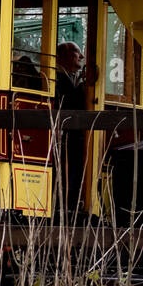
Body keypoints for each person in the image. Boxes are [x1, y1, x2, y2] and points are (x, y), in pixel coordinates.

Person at [54, 42, 89, 215]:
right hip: (65, 134)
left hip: (70, 133)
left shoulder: (68, 76)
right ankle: (67, 206)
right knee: (69, 169)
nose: (81, 57)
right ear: (66, 55)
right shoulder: (57, 77)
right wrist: (84, 85)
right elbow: (71, 102)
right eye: (77, 52)